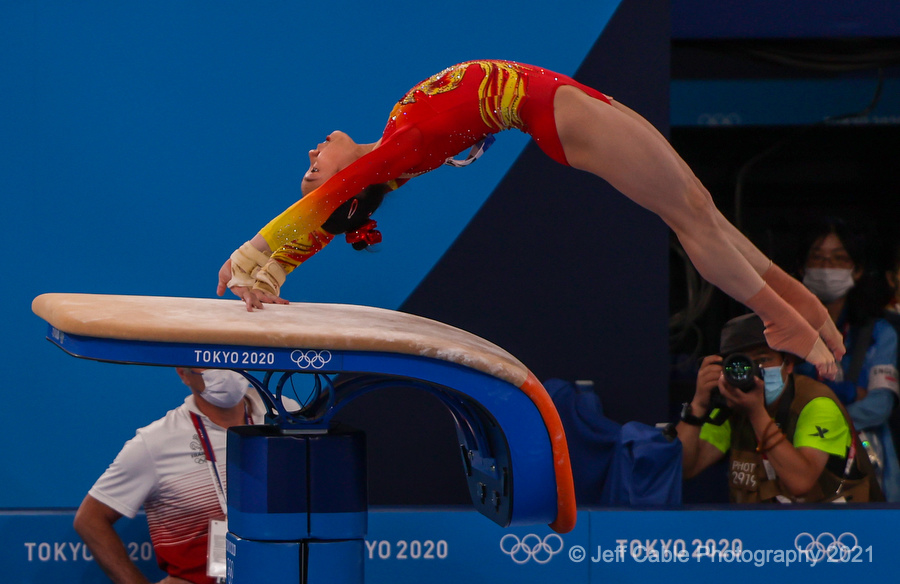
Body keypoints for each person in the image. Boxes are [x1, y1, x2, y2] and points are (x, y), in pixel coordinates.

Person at [214, 59, 842, 379]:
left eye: (311, 163)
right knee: (690, 219)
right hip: (558, 115)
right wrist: (256, 267)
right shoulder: (389, 156)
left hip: (567, 99)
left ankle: (806, 313)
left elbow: (332, 209)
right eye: (314, 170)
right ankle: (779, 320)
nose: (312, 154)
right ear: (343, 187)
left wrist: (273, 261)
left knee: (700, 208)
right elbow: (324, 212)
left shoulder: (396, 144)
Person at [73, 369, 265, 584]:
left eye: (229, 353)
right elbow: (90, 519)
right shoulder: (156, 443)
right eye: (208, 361)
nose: (222, 367)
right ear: (183, 373)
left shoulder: (287, 416)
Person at [678, 313, 880, 503]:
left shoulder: (816, 404)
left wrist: (756, 413)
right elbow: (685, 468)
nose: (755, 371)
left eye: (763, 360)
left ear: (788, 363)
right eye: (743, 364)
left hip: (840, 531)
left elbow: (800, 483)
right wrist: (698, 405)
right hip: (767, 531)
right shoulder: (732, 405)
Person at [794, 219, 900, 501]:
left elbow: (880, 405)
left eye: (839, 259)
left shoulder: (879, 333)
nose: (827, 267)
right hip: (800, 455)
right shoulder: (784, 331)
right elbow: (786, 395)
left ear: (857, 270)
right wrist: (851, 392)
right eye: (817, 258)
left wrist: (822, 423)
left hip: (868, 456)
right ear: (802, 268)